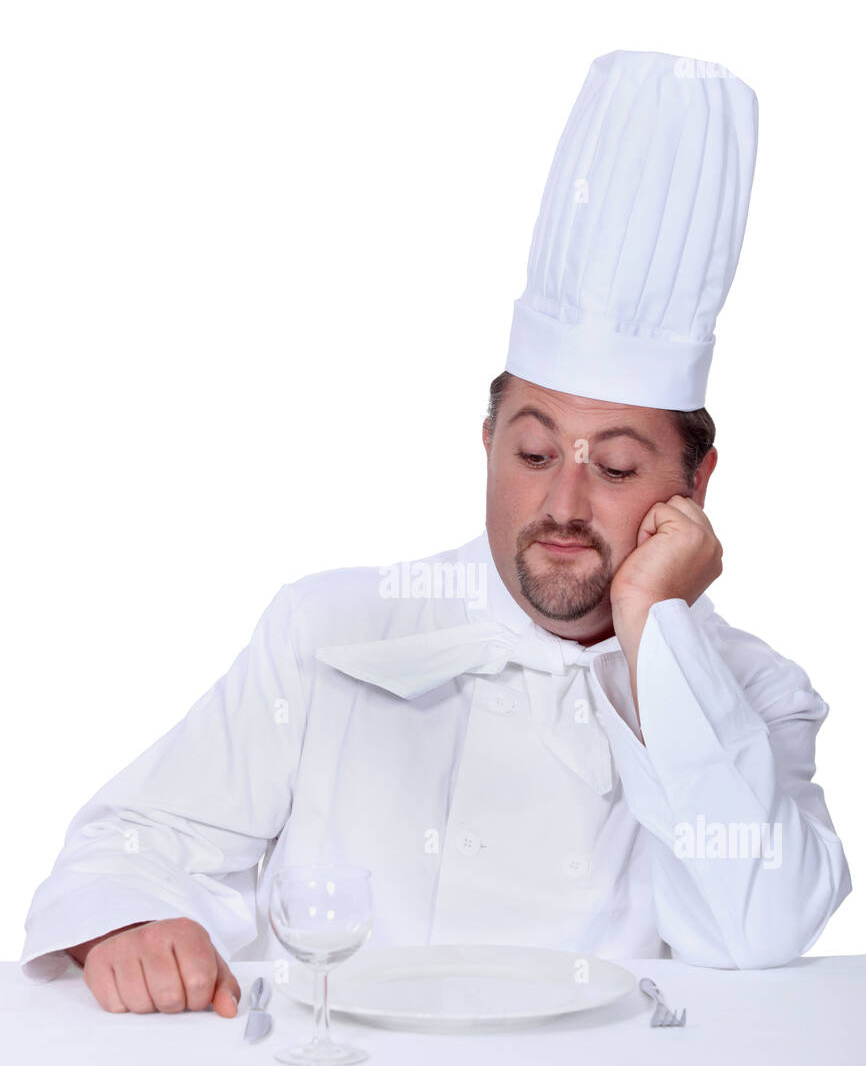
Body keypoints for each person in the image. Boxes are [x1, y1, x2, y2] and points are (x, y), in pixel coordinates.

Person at [18, 50, 851, 1015]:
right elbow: (130, 838)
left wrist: (654, 624)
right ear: (488, 444)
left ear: (696, 483)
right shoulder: (334, 628)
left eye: (618, 468)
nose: (567, 503)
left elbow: (757, 931)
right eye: (535, 454)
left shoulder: (755, 693)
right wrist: (131, 922)